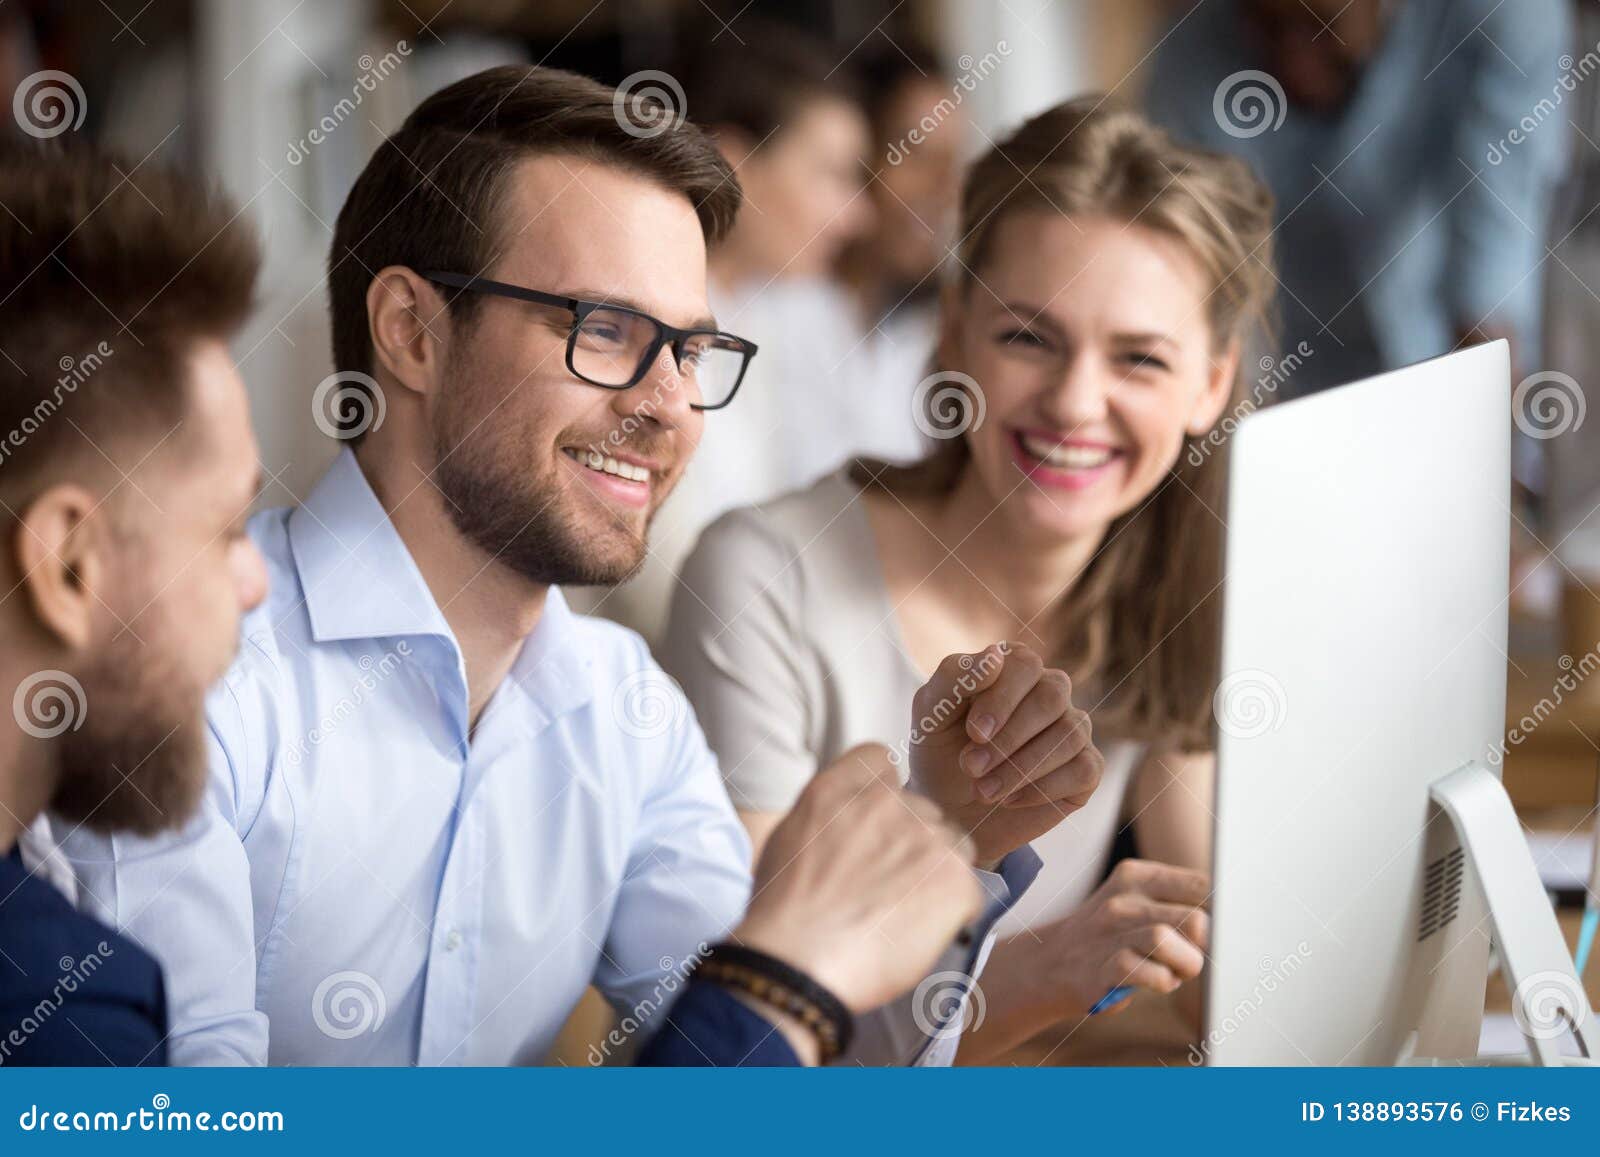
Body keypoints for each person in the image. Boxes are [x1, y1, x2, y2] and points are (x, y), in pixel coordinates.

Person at [60, 67, 1102, 1067]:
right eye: (605, 329)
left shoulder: (625, 711)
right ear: (411, 333)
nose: (668, 406)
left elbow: (785, 1066)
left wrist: (949, 837)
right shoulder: (193, 680)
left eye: (690, 352)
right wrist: (785, 971)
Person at [664, 96, 1278, 1061]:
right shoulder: (763, 580)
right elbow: (746, 1052)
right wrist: (1043, 973)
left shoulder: (1166, 592)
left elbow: (1240, 1002)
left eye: (1140, 358)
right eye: (1028, 338)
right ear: (952, 334)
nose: (1077, 402)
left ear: (1211, 384)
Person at [0, 141, 268, 1065]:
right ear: (69, 565)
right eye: (229, 528)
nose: (254, 581)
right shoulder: (61, 1014)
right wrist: (751, 971)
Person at [574, 28, 902, 643]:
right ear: (732, 162)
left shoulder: (768, 317)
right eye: (830, 174)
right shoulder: (627, 336)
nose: (857, 214)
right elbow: (665, 593)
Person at [1144, 0, 1568, 399]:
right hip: (1291, 370)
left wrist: (1487, 425)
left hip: (1441, 341)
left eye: (1320, 27)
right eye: (1269, 26)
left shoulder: (1504, 19)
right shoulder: (1189, 56)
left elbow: (1494, 245)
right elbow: (1201, 278)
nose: (1297, 65)